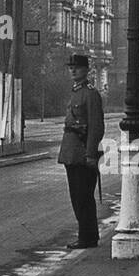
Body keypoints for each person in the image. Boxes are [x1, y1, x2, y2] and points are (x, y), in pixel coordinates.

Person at [58, 53, 104, 248]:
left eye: (76, 67)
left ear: (86, 70)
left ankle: (87, 237)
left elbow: (96, 126)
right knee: (77, 197)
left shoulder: (90, 94)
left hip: (83, 151)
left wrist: (91, 154)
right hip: (71, 151)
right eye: (71, 68)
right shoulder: (75, 92)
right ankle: (87, 235)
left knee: (83, 197)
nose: (73, 70)